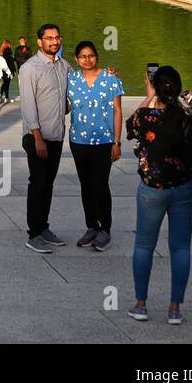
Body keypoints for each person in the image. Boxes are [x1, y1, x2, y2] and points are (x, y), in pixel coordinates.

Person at [126, 65, 192, 326]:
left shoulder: (146, 117)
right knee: (180, 248)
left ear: (155, 86)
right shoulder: (189, 116)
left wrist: (149, 95)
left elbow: (129, 126)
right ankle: (175, 309)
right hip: (183, 187)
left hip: (152, 189)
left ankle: (140, 305)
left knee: (144, 246)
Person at [66, 41, 124, 251]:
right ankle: (91, 226)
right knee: (86, 185)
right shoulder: (71, 79)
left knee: (101, 184)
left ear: (97, 57)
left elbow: (117, 110)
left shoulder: (110, 78)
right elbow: (66, 105)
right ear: (76, 59)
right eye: (83, 56)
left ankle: (105, 230)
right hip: (79, 141)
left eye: (91, 56)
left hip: (104, 141)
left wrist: (117, 142)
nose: (87, 60)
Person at [17, 23, 70, 253]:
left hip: (57, 134)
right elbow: (28, 106)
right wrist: (37, 137)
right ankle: (34, 233)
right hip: (37, 136)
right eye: (49, 38)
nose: (54, 41)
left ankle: (44, 227)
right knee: (37, 184)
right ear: (40, 42)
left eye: (57, 37)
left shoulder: (64, 66)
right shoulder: (30, 68)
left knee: (48, 184)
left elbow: (70, 95)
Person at [0, 39, 16, 105]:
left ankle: (1, 95)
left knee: (5, 83)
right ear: (8, 44)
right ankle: (6, 98)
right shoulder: (8, 51)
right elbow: (10, 62)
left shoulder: (1, 52)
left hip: (2, 70)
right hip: (8, 70)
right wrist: (12, 71)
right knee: (7, 84)